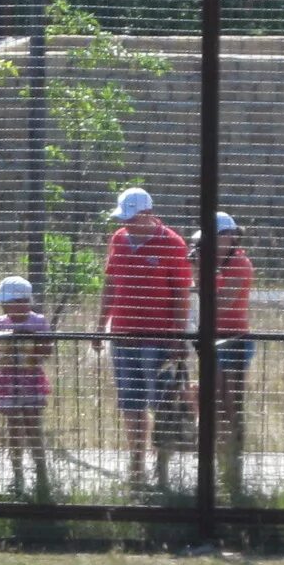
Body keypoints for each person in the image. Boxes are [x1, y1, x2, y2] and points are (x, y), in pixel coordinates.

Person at [93, 185, 191, 487]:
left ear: (148, 214)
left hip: (157, 338)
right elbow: (111, 283)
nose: (124, 223)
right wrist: (101, 325)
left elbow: (181, 294)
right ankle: (136, 464)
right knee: (130, 403)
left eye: (130, 217)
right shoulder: (119, 240)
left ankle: (161, 469)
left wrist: (176, 335)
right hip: (123, 336)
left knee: (162, 404)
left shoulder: (172, 244)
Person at [0, 274, 55, 496]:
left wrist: (30, 338)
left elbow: (47, 351)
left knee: (33, 425)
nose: (4, 307)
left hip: (31, 378)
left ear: (23, 302)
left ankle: (41, 472)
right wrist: (0, 342)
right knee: (14, 427)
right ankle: (17, 475)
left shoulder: (38, 321)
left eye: (7, 302)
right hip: (8, 379)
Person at [202, 211, 256, 468]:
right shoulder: (211, 263)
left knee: (229, 400)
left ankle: (232, 458)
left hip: (233, 339)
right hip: (210, 338)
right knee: (213, 398)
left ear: (231, 238)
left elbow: (220, 304)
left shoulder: (239, 265)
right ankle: (217, 453)